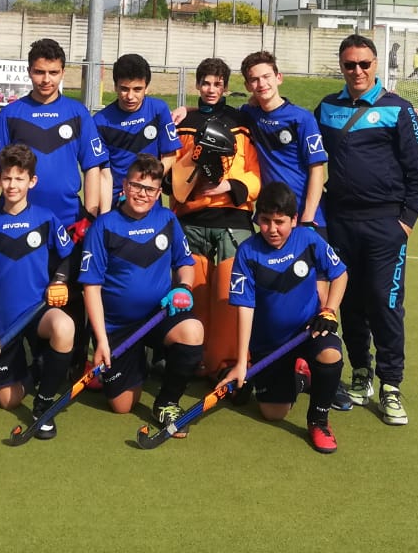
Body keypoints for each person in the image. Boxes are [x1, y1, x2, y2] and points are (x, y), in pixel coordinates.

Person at [0, 38, 110, 368]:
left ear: (63, 72)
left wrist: (90, 214)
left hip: (69, 222)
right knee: (10, 287)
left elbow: (93, 165)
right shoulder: (11, 114)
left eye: (53, 72)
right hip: (18, 223)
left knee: (70, 293)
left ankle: (68, 362)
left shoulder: (77, 112)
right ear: (29, 71)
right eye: (38, 72)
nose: (45, 79)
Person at [317, 34, 418, 426]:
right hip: (340, 223)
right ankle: (360, 373)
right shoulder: (327, 107)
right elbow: (300, 144)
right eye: (350, 65)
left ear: (376, 64)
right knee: (348, 302)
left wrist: (405, 223)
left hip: (385, 226)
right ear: (342, 66)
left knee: (384, 303)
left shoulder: (399, 109)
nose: (358, 71)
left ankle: (391, 386)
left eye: (364, 64)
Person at [80, 153, 203, 434]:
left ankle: (166, 403)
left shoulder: (167, 219)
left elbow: (185, 264)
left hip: (159, 316)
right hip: (119, 326)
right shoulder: (104, 226)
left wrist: (183, 287)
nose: (142, 194)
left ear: (158, 192)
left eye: (149, 189)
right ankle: (135, 365)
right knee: (122, 405)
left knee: (192, 330)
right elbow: (91, 287)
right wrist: (100, 341)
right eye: (137, 186)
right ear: (124, 186)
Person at [226, 183, 349, 454]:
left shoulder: (309, 239)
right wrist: (241, 362)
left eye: (279, 222)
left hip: (309, 330)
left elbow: (340, 274)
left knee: (330, 354)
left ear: (294, 220)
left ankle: (318, 420)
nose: (272, 229)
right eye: (265, 221)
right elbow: (245, 308)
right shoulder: (248, 252)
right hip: (270, 344)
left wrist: (329, 310)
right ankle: (302, 377)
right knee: (273, 413)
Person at [0, 143, 78, 437]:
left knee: (64, 326)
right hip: (5, 323)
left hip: (39, 312)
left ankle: (44, 404)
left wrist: (59, 280)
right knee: (6, 399)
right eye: (6, 178)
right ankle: (40, 370)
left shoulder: (46, 219)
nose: (12, 185)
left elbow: (67, 254)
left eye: (19, 178)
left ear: (32, 181)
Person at [168, 57, 260, 377]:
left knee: (227, 299)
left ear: (225, 87)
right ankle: (191, 361)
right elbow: (172, 181)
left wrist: (226, 185)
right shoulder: (182, 125)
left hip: (232, 224)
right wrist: (192, 171)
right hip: (191, 222)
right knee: (192, 296)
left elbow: (254, 177)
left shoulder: (241, 124)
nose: (211, 89)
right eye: (205, 83)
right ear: (197, 85)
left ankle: (229, 363)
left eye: (218, 84)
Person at [239, 51, 326, 230]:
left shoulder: (302, 118)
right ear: (248, 86)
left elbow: (317, 170)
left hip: (306, 216)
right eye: (254, 79)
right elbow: (219, 113)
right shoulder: (248, 114)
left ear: (279, 78)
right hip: (272, 218)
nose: (262, 83)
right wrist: (187, 109)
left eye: (266, 76)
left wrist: (307, 218)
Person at [93, 53, 181, 205]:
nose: (130, 96)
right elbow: (103, 173)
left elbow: (170, 155)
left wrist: (146, 185)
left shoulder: (158, 110)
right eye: (124, 89)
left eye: (137, 89)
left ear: (146, 88)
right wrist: (105, 215)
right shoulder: (100, 121)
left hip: (149, 198)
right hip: (116, 200)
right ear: (115, 86)